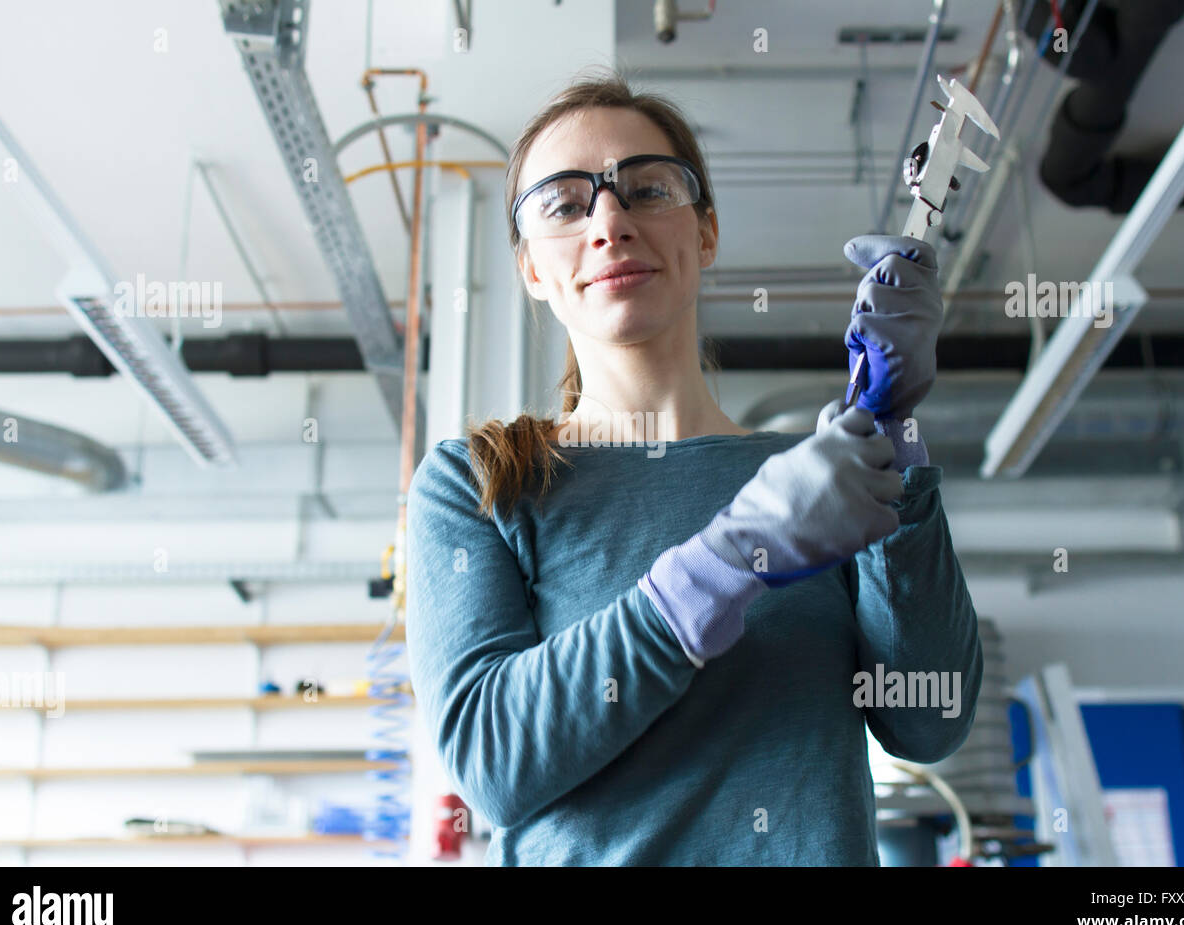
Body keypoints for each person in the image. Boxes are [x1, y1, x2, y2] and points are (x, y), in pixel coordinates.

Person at [405, 68, 982, 866]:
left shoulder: (819, 478)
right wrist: (734, 553)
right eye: (565, 205)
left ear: (706, 232)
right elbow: (492, 762)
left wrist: (892, 440)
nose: (609, 219)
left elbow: (931, 719)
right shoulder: (478, 483)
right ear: (533, 269)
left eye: (646, 190)